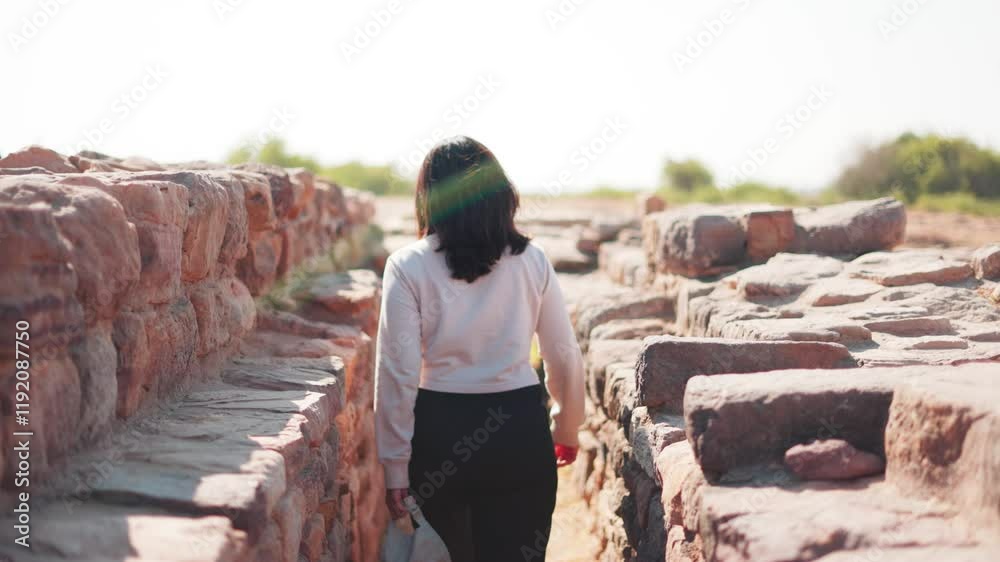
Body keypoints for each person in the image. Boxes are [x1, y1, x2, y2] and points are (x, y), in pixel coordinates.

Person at [374, 136, 586, 561]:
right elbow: (562, 354)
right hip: (519, 430)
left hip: (439, 434)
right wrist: (566, 427)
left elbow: (398, 371)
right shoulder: (533, 260)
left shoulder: (408, 265)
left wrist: (395, 464)